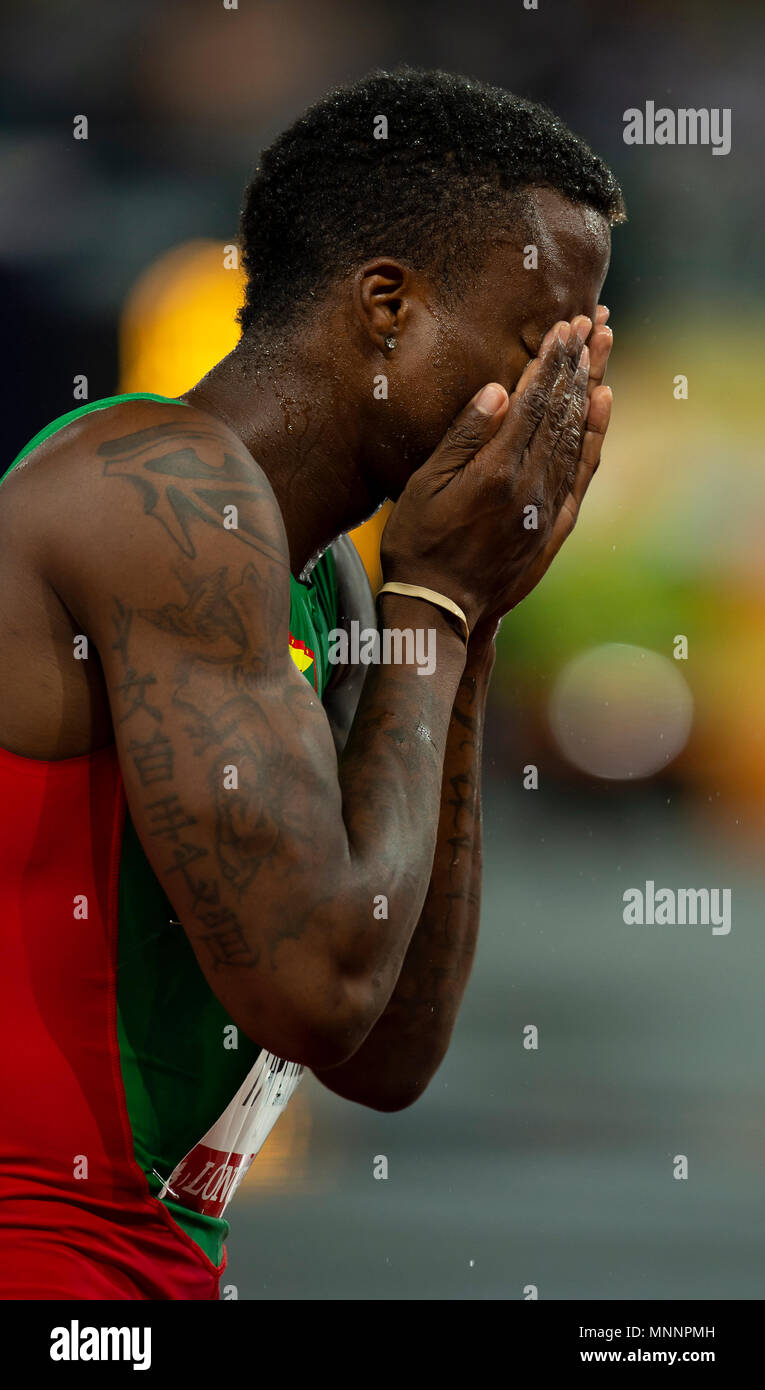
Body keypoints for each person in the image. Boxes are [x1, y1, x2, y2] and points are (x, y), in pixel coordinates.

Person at [0, 68, 622, 1299]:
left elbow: (386, 1050)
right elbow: (322, 984)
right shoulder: (157, 488)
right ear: (387, 308)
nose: (563, 393)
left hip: (150, 1260)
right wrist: (435, 612)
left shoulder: (333, 583)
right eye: (540, 337)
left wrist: (467, 616)